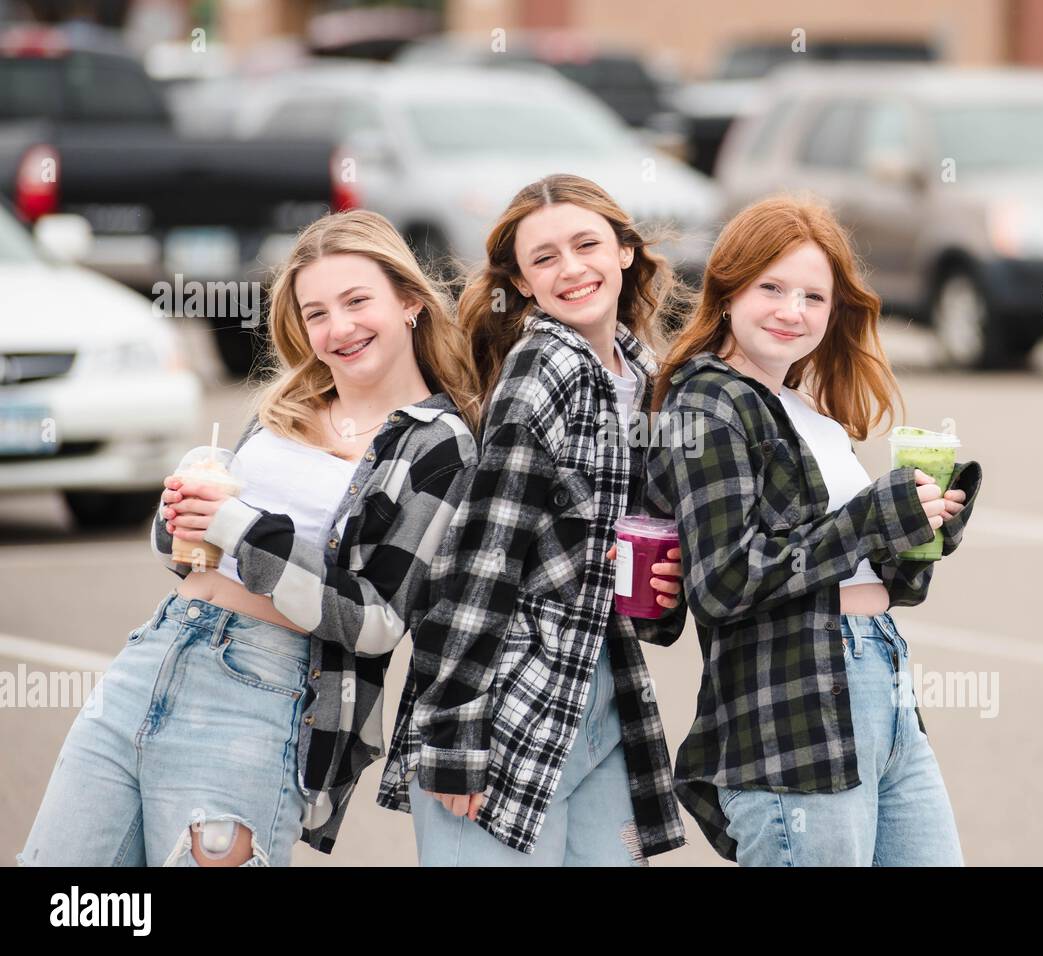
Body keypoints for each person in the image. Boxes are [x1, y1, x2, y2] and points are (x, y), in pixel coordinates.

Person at [18, 210, 479, 865]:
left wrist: (239, 526)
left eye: (356, 301)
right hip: (155, 653)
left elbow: (374, 621)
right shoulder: (285, 406)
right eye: (315, 313)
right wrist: (180, 511)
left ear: (409, 302)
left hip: (263, 690)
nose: (338, 328)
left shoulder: (438, 445)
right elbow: (189, 562)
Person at [643, 196, 984, 866]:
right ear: (728, 289)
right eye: (771, 287)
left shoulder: (806, 409)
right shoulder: (709, 402)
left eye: (813, 297)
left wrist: (922, 530)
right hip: (790, 712)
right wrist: (871, 516)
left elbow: (884, 582)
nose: (791, 311)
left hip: (881, 681)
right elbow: (723, 583)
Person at [377, 174, 688, 866]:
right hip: (509, 701)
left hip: (602, 695)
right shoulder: (544, 365)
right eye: (545, 259)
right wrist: (456, 732)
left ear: (625, 252)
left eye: (587, 245)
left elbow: (637, 553)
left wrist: (663, 595)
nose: (572, 269)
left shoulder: (643, 375)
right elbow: (482, 554)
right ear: (519, 283)